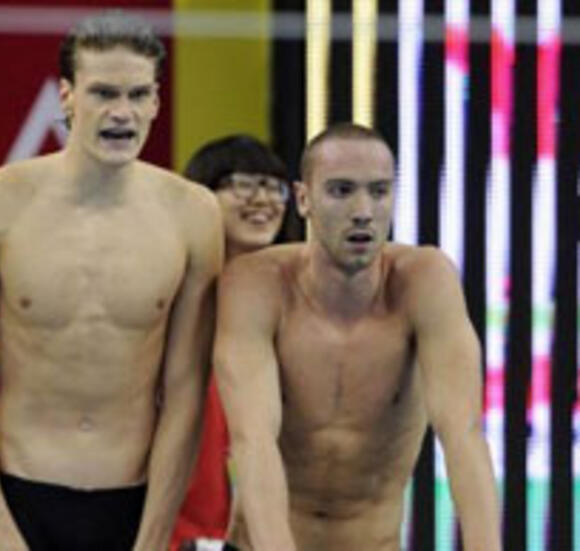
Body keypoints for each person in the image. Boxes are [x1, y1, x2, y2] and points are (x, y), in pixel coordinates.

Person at [0, 10, 223, 551]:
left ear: (157, 101)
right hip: (19, 502)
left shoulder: (193, 215)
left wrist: (153, 539)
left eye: (138, 95)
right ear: (66, 95)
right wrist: (0, 535)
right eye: (103, 93)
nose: (122, 112)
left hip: (132, 508)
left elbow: (186, 392)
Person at [215, 123, 501, 551]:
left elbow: (462, 434)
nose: (363, 210)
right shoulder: (257, 285)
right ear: (304, 199)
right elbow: (253, 441)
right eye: (342, 190)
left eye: (379, 191)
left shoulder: (424, 282)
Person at [171, 135, 301, 551]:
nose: (262, 199)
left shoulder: (299, 310)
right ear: (198, 198)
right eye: (243, 184)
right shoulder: (171, 303)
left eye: (274, 186)